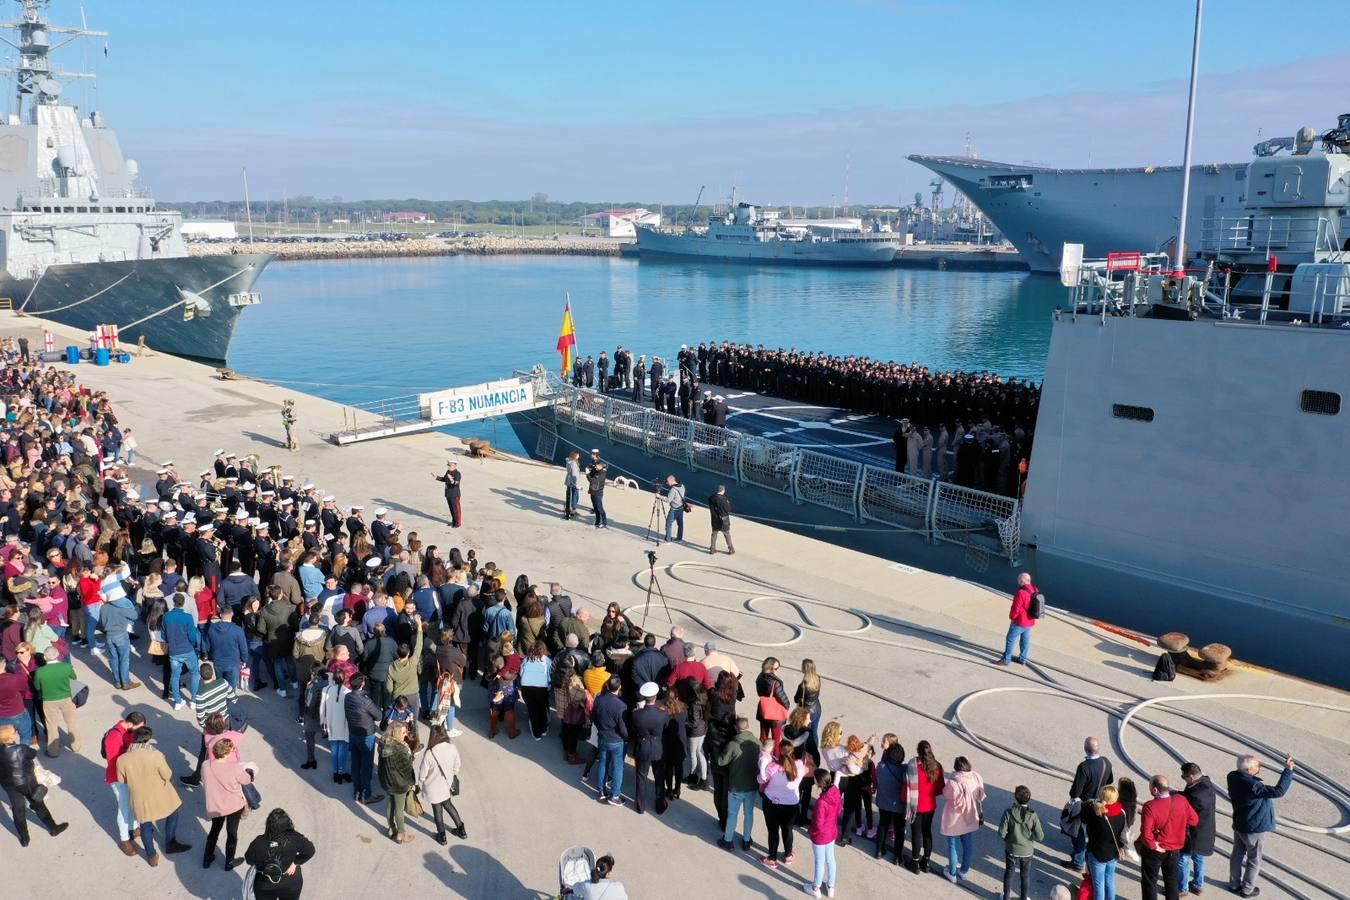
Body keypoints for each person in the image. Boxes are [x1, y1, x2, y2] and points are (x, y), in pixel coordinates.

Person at [117, 725, 191, 865]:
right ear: (149, 738)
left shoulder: (123, 759)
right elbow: (167, 774)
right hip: (160, 794)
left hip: (140, 798)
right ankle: (170, 842)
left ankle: (152, 856)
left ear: (134, 738)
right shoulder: (156, 755)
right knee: (173, 813)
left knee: (145, 826)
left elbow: (122, 780)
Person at [1227, 753, 1295, 898]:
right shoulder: (1253, 786)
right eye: (1257, 766)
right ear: (1248, 770)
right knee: (1254, 859)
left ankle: (1234, 884)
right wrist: (1288, 771)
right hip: (1253, 828)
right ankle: (1247, 889)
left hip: (1239, 823)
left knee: (1237, 854)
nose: (1260, 767)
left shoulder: (1232, 776)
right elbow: (1278, 791)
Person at [0, 722, 69, 847]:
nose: (16, 732)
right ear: (10, 738)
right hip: (26, 783)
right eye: (14, 732)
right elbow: (33, 753)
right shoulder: (20, 749)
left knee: (18, 810)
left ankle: (24, 838)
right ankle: (53, 828)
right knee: (38, 804)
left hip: (9, 785)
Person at [1139, 774, 1197, 900]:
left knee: (1149, 882)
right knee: (1171, 881)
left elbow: (1145, 832)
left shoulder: (1150, 806)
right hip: (1174, 849)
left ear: (1155, 790)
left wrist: (1153, 845)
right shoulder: (1181, 800)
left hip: (1155, 849)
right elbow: (1194, 820)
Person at [759, 738, 813, 868]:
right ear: (792, 751)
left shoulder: (772, 767)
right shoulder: (799, 765)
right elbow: (808, 771)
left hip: (771, 803)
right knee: (788, 829)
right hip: (791, 805)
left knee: (773, 831)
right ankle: (788, 855)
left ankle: (772, 858)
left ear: (779, 752)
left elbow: (761, 780)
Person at [202, 737, 253, 869]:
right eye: (232, 749)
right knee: (232, 834)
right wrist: (250, 772)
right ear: (226, 752)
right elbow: (247, 780)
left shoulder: (206, 765)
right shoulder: (234, 768)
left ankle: (207, 858)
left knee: (214, 831)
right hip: (233, 806)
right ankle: (229, 862)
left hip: (215, 806)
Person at [244, 808, 316, 900]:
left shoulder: (259, 842)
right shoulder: (295, 838)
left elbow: (249, 860)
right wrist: (295, 862)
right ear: (288, 823)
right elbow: (310, 850)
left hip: (265, 883)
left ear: (268, 825)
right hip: (290, 881)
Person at [1065, 736, 1114, 870]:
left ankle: (1078, 861)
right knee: (1093, 831)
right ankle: (1088, 856)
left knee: (1078, 831)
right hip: (1100, 802)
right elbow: (1110, 780)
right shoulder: (1106, 762)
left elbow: (1076, 791)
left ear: (1085, 749)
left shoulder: (1084, 767)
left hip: (1086, 805)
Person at [103, 710, 146, 855]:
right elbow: (114, 762)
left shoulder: (127, 730)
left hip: (128, 775)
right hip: (118, 778)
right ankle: (124, 840)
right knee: (124, 808)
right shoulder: (114, 737)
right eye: (138, 727)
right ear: (129, 723)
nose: (139, 731)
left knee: (131, 803)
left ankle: (133, 828)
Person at [940, 755, 986, 883]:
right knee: (968, 845)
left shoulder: (953, 782)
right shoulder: (976, 777)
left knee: (953, 846)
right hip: (969, 817)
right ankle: (964, 871)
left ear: (956, 768)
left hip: (954, 819)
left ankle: (952, 873)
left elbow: (945, 794)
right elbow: (980, 796)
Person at [417, 724, 466, 843]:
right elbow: (457, 767)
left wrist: (419, 784)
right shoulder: (452, 748)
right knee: (449, 805)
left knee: (437, 811)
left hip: (433, 789)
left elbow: (422, 774)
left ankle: (442, 836)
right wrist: (450, 775)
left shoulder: (430, 753)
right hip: (447, 784)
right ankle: (461, 830)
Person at [718, 716, 760, 850]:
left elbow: (721, 761)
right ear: (747, 727)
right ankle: (747, 840)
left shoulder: (733, 744)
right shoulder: (757, 743)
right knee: (749, 814)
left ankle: (728, 840)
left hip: (736, 787)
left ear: (736, 728)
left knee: (732, 814)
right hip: (752, 786)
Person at [997, 784, 1044, 900]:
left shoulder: (1008, 812)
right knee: (1025, 875)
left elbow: (1001, 833)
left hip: (1011, 849)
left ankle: (1006, 897)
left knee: (1009, 873)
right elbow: (1040, 836)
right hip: (1027, 851)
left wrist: (1008, 840)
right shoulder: (1033, 815)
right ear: (1029, 798)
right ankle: (1023, 897)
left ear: (1015, 797)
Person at [30, 647, 80, 757]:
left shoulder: (40, 671)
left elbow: (37, 687)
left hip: (49, 701)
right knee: (71, 723)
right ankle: (76, 746)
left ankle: (53, 751)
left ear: (45, 657)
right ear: (57, 655)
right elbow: (74, 677)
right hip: (66, 698)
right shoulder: (66, 667)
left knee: (51, 726)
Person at [905, 740, 944, 873]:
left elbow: (907, 786)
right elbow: (940, 788)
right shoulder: (937, 765)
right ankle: (926, 861)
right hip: (930, 805)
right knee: (927, 832)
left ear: (918, 751)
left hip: (916, 806)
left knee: (916, 834)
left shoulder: (912, 764)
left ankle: (915, 862)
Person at [344, 674, 384, 806]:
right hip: (366, 735)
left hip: (353, 734)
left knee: (355, 764)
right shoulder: (365, 700)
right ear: (362, 685)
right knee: (366, 766)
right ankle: (366, 795)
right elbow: (379, 716)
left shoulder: (347, 697)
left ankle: (357, 792)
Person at [630, 681, 669, 814]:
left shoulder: (636, 714)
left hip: (643, 747)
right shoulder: (663, 713)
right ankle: (660, 804)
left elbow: (634, 729)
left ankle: (640, 805)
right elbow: (666, 728)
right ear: (656, 696)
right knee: (659, 776)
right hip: (658, 747)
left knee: (641, 777)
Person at [1080, 784, 1125, 900]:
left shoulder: (1097, 815)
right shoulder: (1121, 813)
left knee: (1098, 884)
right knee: (1110, 880)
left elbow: (1085, 822)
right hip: (1113, 853)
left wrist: (1091, 806)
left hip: (1097, 854)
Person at [1178, 762, 1216, 898]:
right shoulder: (1206, 783)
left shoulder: (1195, 795)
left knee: (1183, 859)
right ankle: (1198, 885)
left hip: (1193, 833)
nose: (1182, 778)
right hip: (1206, 831)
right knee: (1198, 857)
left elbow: (1186, 809)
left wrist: (1175, 797)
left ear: (1191, 777)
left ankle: (1182, 888)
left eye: (1184, 777)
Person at [803, 768, 841, 897]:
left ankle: (815, 888)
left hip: (820, 836)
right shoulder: (835, 791)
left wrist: (811, 831)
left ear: (819, 782)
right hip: (831, 832)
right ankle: (831, 886)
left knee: (819, 861)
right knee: (830, 858)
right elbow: (839, 810)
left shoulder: (821, 802)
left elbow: (818, 824)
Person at [591, 675, 627, 805]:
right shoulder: (621, 705)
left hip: (602, 737)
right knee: (618, 767)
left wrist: (601, 728)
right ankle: (615, 795)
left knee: (603, 763)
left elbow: (593, 716)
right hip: (616, 740)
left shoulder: (599, 699)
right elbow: (622, 728)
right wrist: (626, 737)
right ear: (619, 687)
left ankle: (601, 791)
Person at [379, 720, 417, 843]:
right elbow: (406, 770)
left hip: (387, 781)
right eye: (403, 732)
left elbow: (381, 764)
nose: (406, 735)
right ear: (396, 733)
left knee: (390, 804)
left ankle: (391, 828)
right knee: (399, 809)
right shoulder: (400, 749)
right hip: (399, 784)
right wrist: (412, 782)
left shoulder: (383, 742)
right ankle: (401, 834)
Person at [163, 592, 202, 709]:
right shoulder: (188, 617)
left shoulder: (166, 616)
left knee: (175, 676)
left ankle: (178, 701)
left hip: (174, 651)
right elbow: (192, 635)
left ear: (173, 603)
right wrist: (195, 644)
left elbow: (163, 634)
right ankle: (194, 700)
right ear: (183, 603)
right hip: (188, 650)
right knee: (195, 673)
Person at [874, 743, 906, 865]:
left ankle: (879, 850)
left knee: (883, 825)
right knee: (899, 830)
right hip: (899, 805)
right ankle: (898, 856)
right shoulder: (905, 769)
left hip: (884, 803)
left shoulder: (881, 766)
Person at [997, 571, 1038, 666]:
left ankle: (1006, 660)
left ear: (1022, 581)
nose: (1017, 581)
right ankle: (1022, 659)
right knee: (1025, 640)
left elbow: (1016, 608)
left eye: (1019, 579)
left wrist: (1012, 617)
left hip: (1020, 622)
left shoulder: (1021, 592)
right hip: (1030, 621)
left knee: (1010, 638)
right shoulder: (1035, 589)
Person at [319, 670, 351, 783]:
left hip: (331, 724)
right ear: (344, 679)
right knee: (343, 749)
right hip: (344, 725)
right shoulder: (347, 692)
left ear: (334, 679)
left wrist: (323, 722)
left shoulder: (326, 690)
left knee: (334, 749)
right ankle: (342, 771)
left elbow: (322, 709)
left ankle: (335, 772)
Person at [519, 641, 553, 740]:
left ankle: (536, 734)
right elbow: (550, 673)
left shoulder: (526, 659)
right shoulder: (546, 660)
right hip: (541, 688)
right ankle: (544, 730)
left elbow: (521, 673)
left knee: (532, 710)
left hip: (527, 687)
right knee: (542, 709)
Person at [755, 657, 790, 745]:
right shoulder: (775, 682)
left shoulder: (760, 677)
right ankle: (776, 757)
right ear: (770, 668)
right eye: (776, 668)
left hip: (763, 709)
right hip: (775, 715)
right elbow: (782, 698)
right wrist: (787, 705)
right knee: (776, 740)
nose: (778, 670)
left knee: (763, 737)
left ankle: (761, 755)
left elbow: (759, 693)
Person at [433, 461, 463, 528]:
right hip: (448, 493)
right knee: (451, 508)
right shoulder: (448, 472)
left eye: (450, 465)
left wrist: (451, 480)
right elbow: (444, 479)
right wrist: (436, 477)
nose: (448, 467)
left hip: (454, 494)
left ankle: (458, 523)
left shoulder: (457, 473)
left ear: (454, 466)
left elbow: (456, 483)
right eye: (448, 465)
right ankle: (454, 521)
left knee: (456, 509)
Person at [708, 484, 735, 555]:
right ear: (723, 490)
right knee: (727, 534)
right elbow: (728, 509)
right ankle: (731, 549)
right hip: (724, 519)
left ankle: (712, 549)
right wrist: (728, 503)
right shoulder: (723, 500)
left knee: (714, 534)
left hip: (714, 518)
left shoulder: (711, 498)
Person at [586, 452, 608, 529]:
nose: (596, 467)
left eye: (597, 466)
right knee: (595, 508)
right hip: (593, 491)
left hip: (598, 493)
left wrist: (587, 474)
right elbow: (591, 477)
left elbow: (593, 481)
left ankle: (604, 522)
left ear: (601, 466)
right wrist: (590, 471)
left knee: (600, 508)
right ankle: (597, 521)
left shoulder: (602, 473)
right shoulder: (596, 471)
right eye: (595, 465)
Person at [661, 475, 686, 544]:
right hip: (681, 508)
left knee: (668, 524)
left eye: (667, 482)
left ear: (670, 481)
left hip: (674, 509)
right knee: (680, 523)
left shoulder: (673, 490)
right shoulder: (682, 486)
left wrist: (659, 497)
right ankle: (679, 538)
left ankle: (668, 539)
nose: (667, 484)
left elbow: (668, 500)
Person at [563, 451, 581, 520]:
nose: (579, 456)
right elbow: (574, 474)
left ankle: (570, 508)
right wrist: (576, 483)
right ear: (575, 456)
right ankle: (573, 510)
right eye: (578, 455)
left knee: (571, 495)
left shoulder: (569, 461)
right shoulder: (573, 463)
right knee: (575, 495)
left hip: (569, 480)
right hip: (573, 482)